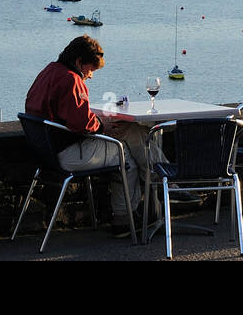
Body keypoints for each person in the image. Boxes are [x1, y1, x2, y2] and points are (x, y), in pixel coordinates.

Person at [25, 35, 160, 232]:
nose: (91, 75)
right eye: (91, 69)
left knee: (129, 134)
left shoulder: (48, 71)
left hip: (45, 152)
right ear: (79, 61)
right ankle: (126, 219)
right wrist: (102, 125)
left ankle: (161, 179)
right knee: (125, 156)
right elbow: (81, 123)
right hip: (68, 152)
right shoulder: (72, 80)